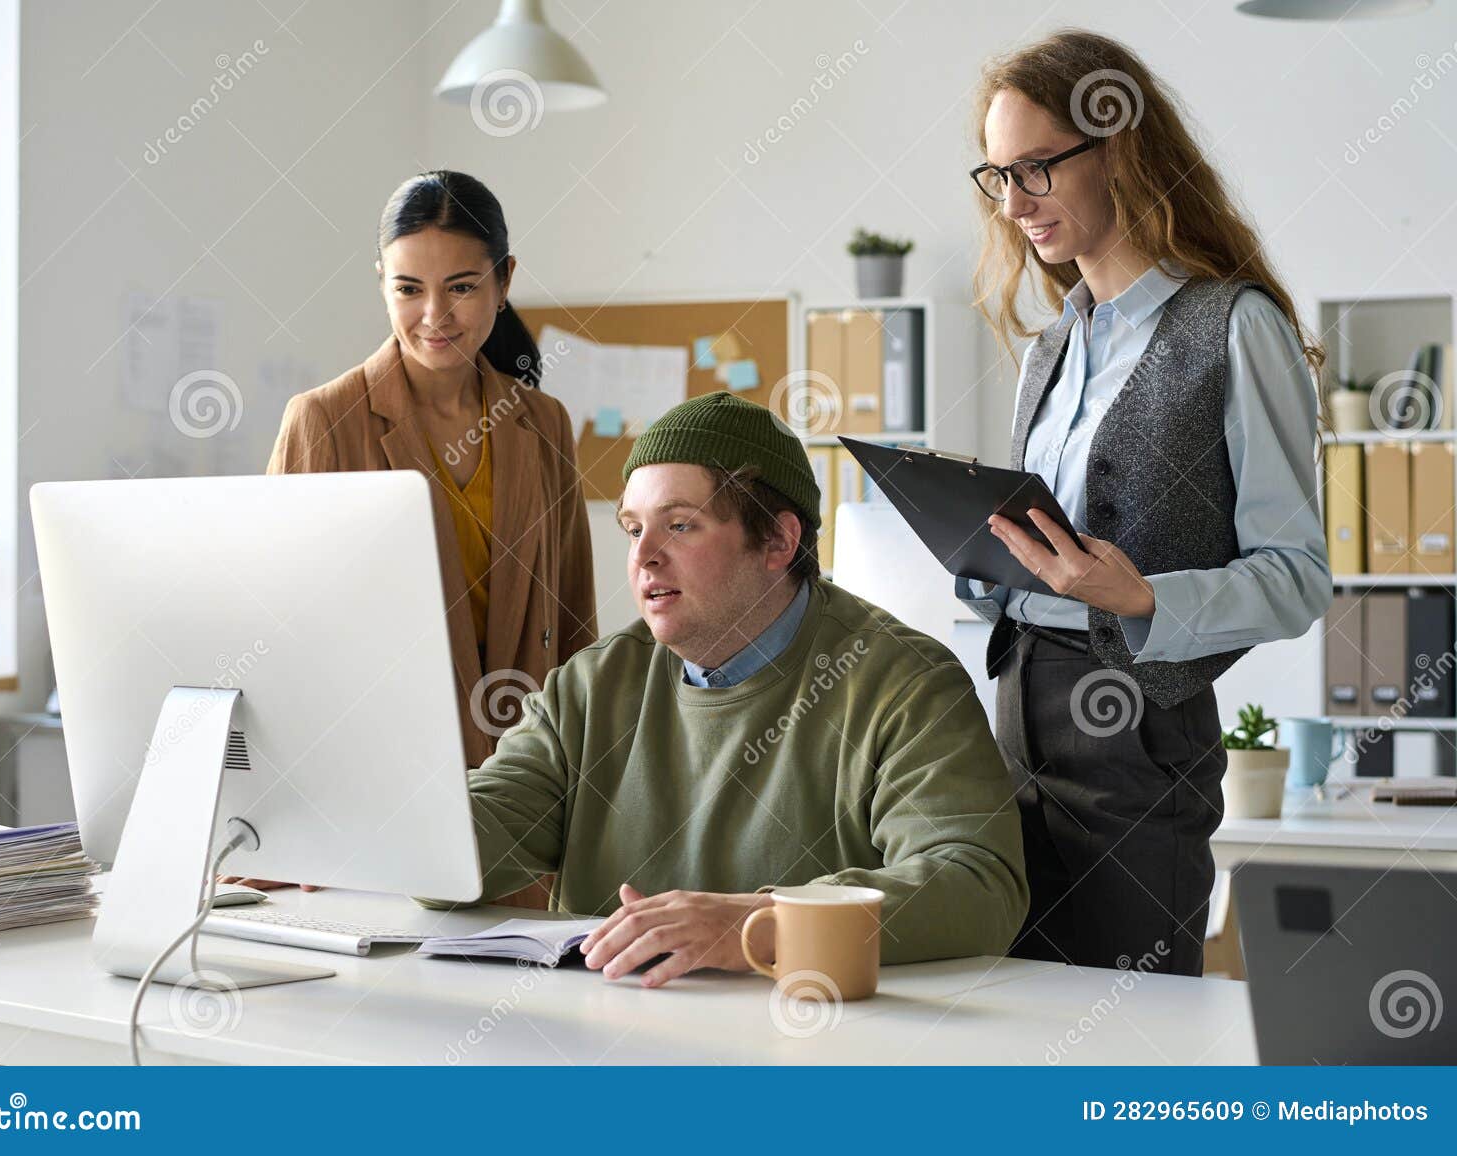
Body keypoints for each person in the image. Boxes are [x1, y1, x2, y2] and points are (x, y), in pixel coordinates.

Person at [424, 391, 1028, 987]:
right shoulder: (591, 683)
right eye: (633, 529)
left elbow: (977, 885)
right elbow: (470, 840)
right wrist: (368, 832)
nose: (644, 558)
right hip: (607, 1040)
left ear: (778, 542)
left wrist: (758, 924)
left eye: (680, 526)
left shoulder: (906, 684)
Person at [958, 29, 1331, 976]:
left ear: (1119, 147)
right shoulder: (1050, 350)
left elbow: (1296, 579)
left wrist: (1145, 599)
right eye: (996, 176)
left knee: (1132, 1033)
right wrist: (982, 560)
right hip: (1017, 714)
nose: (1014, 205)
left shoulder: (1235, 326)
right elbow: (1045, 559)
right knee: (1013, 1018)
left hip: (1136, 736)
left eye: (1036, 168)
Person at [244, 171, 597, 906]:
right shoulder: (325, 422)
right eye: (408, 289)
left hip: (523, 798)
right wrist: (285, 820)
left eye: (462, 287)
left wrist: (589, 794)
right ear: (382, 285)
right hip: (374, 803)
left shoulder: (545, 425)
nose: (434, 314)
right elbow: (281, 642)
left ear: (503, 282)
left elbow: (574, 631)